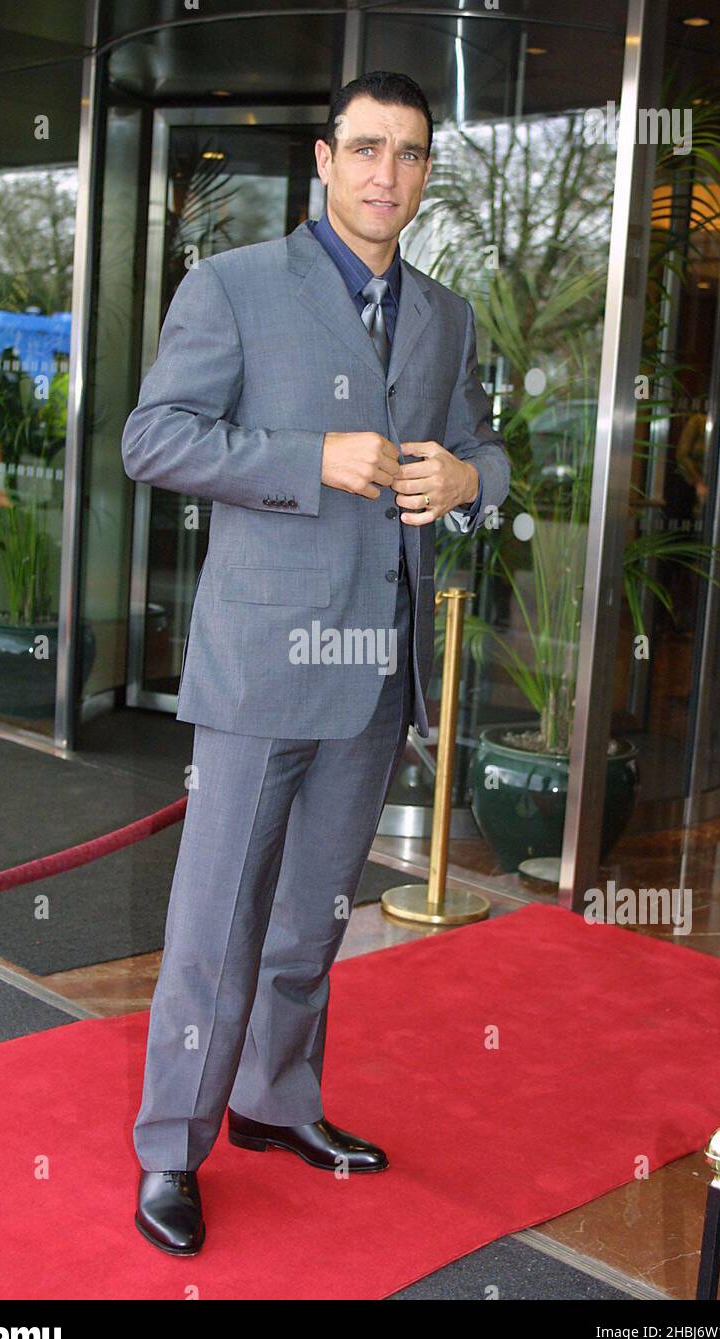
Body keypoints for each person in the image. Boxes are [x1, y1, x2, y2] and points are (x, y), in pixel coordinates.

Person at [122, 70, 511, 1256]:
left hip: (376, 668)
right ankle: (170, 1148)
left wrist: (468, 484)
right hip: (257, 667)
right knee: (214, 922)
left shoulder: (443, 316)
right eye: (364, 148)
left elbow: (485, 450)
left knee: (309, 919)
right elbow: (155, 437)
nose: (384, 172)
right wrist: (308, 457)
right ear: (323, 161)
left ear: (425, 174)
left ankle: (275, 1101)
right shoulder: (234, 286)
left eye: (407, 153)